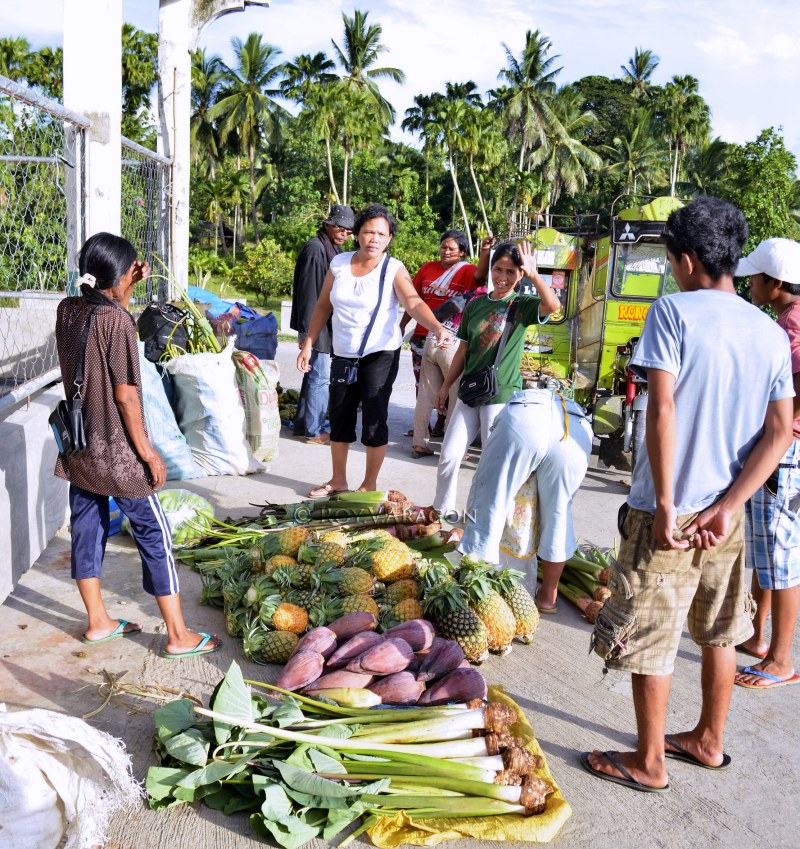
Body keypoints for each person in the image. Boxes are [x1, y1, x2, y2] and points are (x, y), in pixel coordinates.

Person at [582, 198, 794, 793]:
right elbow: (779, 433)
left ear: (688, 258)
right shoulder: (768, 330)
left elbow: (662, 410)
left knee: (649, 636)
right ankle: (708, 740)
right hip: (727, 515)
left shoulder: (672, 312)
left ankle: (649, 762)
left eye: (673, 258)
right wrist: (729, 507)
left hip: (667, 513)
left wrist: (671, 504)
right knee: (721, 631)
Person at [54, 233, 221, 658]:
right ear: (124, 275)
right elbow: (127, 395)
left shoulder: (69, 309)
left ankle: (98, 622)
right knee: (153, 533)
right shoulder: (119, 322)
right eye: (133, 271)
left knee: (86, 527)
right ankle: (179, 635)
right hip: (119, 450)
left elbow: (102, 312)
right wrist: (148, 452)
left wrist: (126, 283)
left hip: (80, 445)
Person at [297, 204, 453, 496]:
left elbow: (414, 303)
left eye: (382, 233)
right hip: (344, 354)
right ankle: (338, 480)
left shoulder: (393, 268)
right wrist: (308, 344)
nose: (375, 238)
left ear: (390, 238)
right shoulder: (339, 264)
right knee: (340, 416)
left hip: (380, 354)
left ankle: (369, 484)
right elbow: (322, 305)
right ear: (357, 234)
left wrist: (437, 328)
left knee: (374, 418)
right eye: (369, 231)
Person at [431, 241, 560, 517]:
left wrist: (535, 275)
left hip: (500, 395)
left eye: (510, 272)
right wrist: (445, 386)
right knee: (450, 455)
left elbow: (553, 305)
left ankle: (483, 515)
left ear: (520, 274)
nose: (502, 278)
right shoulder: (476, 305)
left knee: (491, 461)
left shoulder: (522, 305)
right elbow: (463, 350)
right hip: (469, 391)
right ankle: (442, 512)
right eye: (498, 270)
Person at [458, 389, 592, 609]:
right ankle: (548, 597)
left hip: (526, 419)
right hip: (573, 427)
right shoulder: (566, 402)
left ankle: (475, 590)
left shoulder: (522, 398)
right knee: (559, 513)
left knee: (491, 499)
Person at [735, 238, 800, 689]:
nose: (750, 284)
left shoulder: (792, 328)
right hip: (777, 447)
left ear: (774, 283)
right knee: (766, 551)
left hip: (783, 451)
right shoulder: (785, 321)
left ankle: (780, 659)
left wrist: (780, 432)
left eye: (755, 277)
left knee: (780, 556)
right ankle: (759, 639)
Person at [399, 231, 492, 453]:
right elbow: (413, 300)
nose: (446, 251)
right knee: (425, 388)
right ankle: (431, 435)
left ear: (462, 252)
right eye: (443, 246)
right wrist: (403, 324)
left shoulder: (468, 270)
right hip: (424, 337)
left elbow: (480, 275)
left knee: (446, 389)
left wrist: (486, 252)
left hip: (448, 339)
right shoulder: (426, 269)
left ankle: (436, 430)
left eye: (452, 248)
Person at [290, 204, 355, 445]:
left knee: (314, 377)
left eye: (349, 231)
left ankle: (303, 425)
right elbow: (308, 294)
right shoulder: (316, 249)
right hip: (318, 327)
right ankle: (314, 431)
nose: (345, 234)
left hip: (326, 325)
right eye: (341, 228)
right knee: (320, 378)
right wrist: (307, 336)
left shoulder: (331, 249)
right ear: (327, 224)